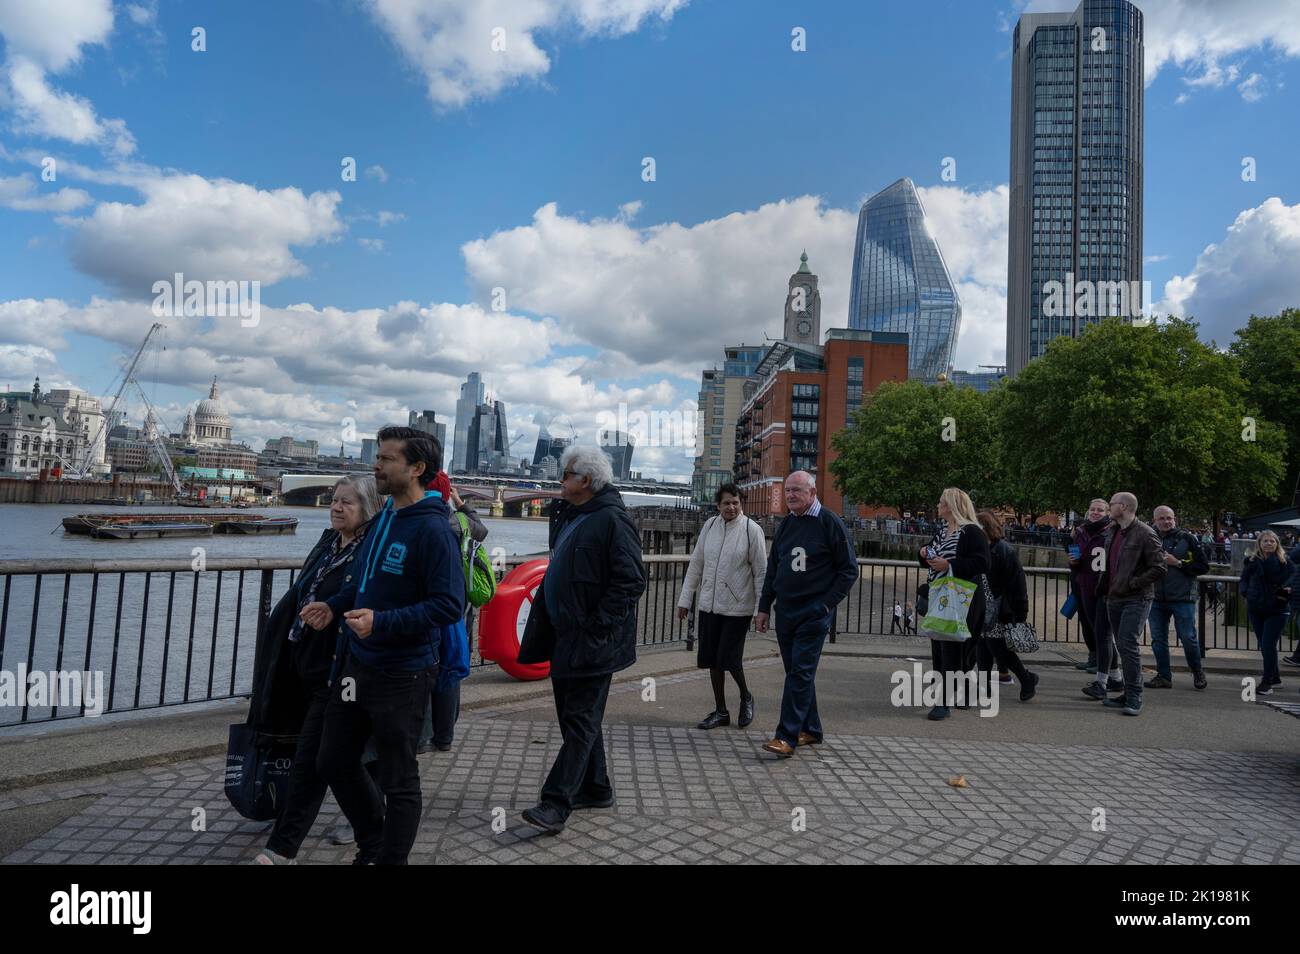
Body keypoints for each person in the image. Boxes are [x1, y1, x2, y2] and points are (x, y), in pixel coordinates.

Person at [313, 427, 466, 864]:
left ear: (416, 468)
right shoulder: (384, 519)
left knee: (400, 778)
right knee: (334, 760)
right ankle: (373, 841)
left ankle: (387, 858)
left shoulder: (435, 531)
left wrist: (383, 622)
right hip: (357, 665)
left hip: (404, 672)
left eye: (387, 459)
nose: (376, 466)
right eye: (378, 457)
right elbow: (363, 585)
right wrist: (333, 604)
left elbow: (448, 605)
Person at [250, 476, 380, 864]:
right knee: (346, 759)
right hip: (304, 664)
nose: (337, 508)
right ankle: (378, 828)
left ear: (368, 509)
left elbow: (361, 601)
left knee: (312, 763)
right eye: (335, 501)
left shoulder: (369, 553)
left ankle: (281, 849)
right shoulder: (328, 543)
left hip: (338, 671)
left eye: (348, 503)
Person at [517, 446, 646, 833]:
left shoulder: (611, 520)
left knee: (580, 722)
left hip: (591, 642)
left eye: (566, 474)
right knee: (576, 720)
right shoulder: (576, 515)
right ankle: (596, 787)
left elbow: (631, 581)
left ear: (585, 481)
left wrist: (597, 627)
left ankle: (555, 804)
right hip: (565, 638)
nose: (561, 481)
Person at [754, 471, 857, 756]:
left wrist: (825, 605)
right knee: (797, 673)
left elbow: (849, 570)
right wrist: (764, 607)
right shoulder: (787, 523)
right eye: (787, 490)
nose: (790, 496)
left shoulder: (829, 523)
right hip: (786, 611)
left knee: (799, 673)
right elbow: (773, 568)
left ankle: (785, 736)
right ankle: (811, 729)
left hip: (813, 613)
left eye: (796, 490)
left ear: (812, 493)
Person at [676, 482, 767, 730]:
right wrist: (685, 600)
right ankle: (721, 711)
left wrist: (761, 609)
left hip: (737, 608)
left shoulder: (752, 530)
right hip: (709, 605)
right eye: (726, 503)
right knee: (712, 660)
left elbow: (761, 573)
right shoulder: (710, 526)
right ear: (718, 505)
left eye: (736, 502)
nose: (731, 507)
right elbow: (696, 565)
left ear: (741, 504)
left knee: (729, 658)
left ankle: (746, 696)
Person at [416, 472, 488, 754]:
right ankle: (444, 736)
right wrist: (460, 502)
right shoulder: (460, 521)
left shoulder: (427, 521)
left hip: (431, 606)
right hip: (460, 606)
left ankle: (421, 736)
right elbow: (481, 529)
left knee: (424, 667)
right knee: (450, 668)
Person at [917, 488, 990, 721]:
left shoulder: (972, 532)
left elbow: (982, 563)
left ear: (951, 506)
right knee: (940, 647)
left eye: (940, 502)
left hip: (962, 598)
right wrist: (923, 554)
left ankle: (943, 702)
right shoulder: (942, 531)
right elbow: (932, 557)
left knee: (951, 649)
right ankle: (958, 693)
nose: (937, 506)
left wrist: (949, 565)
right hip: (941, 595)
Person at [1095, 492, 1166, 717]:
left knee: (1128, 644)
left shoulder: (1145, 533)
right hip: (1114, 597)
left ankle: (1135, 694)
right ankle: (1127, 692)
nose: (1109, 508)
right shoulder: (1113, 531)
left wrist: (1134, 583)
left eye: (1112, 504)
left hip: (1136, 597)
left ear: (1123, 507)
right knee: (1122, 644)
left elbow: (1159, 567)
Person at [975, 511, 1039, 701]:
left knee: (997, 647)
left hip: (999, 606)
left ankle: (1026, 678)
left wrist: (1020, 611)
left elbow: (1018, 583)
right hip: (983, 605)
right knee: (983, 645)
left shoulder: (1003, 550)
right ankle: (984, 686)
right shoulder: (982, 549)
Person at [1145, 506, 1209, 690]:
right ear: (1155, 520)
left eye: (1169, 518)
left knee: (1188, 638)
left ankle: (1197, 671)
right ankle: (1164, 676)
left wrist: (1178, 563)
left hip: (1182, 597)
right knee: (1158, 639)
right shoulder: (1149, 538)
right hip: (1156, 597)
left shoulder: (1187, 538)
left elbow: (1203, 566)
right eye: (1162, 518)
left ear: (1175, 519)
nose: (1166, 521)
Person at [1073, 498, 1125, 701]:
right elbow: (1077, 559)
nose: (1095, 512)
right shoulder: (1081, 531)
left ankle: (1103, 681)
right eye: (1092, 509)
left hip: (1104, 590)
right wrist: (1074, 564)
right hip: (1087, 587)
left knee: (1103, 635)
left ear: (1107, 513)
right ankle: (1115, 677)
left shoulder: (1112, 531)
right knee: (1099, 633)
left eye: (1100, 510)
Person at [1240, 530, 1292, 695]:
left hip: (1277, 609)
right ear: (1259, 543)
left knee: (1268, 645)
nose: (1269, 544)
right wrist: (1246, 592)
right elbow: (1244, 579)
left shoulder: (1285, 562)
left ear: (1277, 544)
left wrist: (1287, 589)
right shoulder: (1251, 561)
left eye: (1272, 541)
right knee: (1264, 645)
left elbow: (1293, 579)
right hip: (1256, 608)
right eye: (1265, 541)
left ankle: (1267, 683)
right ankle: (1275, 679)